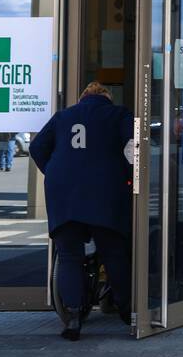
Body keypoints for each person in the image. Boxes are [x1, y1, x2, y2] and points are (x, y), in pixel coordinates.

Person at [29, 81, 135, 341]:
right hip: (105, 191)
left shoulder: (63, 116)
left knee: (68, 256)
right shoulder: (119, 114)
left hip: (64, 191)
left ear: (82, 98)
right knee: (114, 252)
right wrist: (130, 176)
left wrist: (54, 171)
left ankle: (73, 317)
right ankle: (126, 310)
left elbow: (36, 148)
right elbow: (134, 148)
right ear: (107, 97)